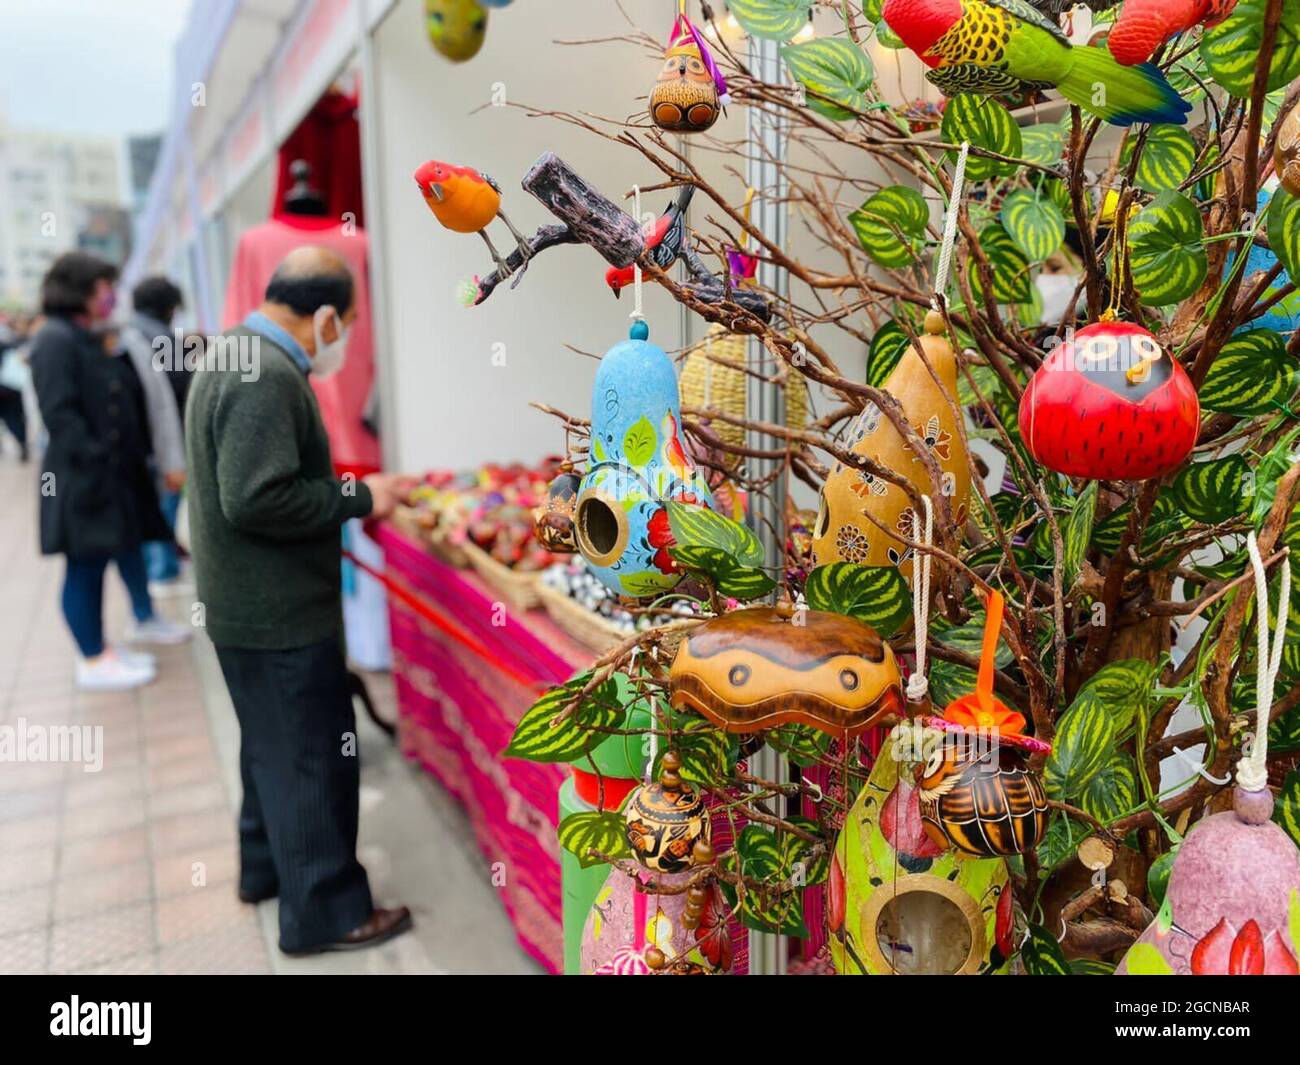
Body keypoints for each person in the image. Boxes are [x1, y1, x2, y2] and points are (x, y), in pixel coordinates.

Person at [186, 245, 414, 956]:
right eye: (345, 322)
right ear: (323, 315)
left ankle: (264, 871)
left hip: (244, 605)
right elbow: (258, 497)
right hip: (278, 612)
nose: (343, 337)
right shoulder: (266, 374)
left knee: (271, 748)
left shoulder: (234, 353)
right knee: (313, 757)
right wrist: (360, 496)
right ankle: (326, 912)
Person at [30, 253, 192, 692]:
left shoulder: (84, 335)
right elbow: (60, 415)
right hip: (82, 480)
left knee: (106, 559)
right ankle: (92, 657)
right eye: (105, 286)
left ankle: (104, 646)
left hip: (107, 475)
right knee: (84, 568)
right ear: (80, 289)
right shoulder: (55, 340)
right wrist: (99, 459)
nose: (111, 295)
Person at [121, 276, 188, 591]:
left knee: (154, 501)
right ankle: (163, 571)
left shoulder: (130, 332)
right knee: (167, 500)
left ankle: (159, 568)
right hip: (164, 438)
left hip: (140, 441)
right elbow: (181, 386)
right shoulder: (159, 336)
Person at [0, 314, 31, 461]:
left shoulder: (10, 339)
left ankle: (22, 445)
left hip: (9, 386)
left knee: (14, 418)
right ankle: (22, 445)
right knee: (15, 419)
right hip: (11, 387)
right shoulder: (12, 339)